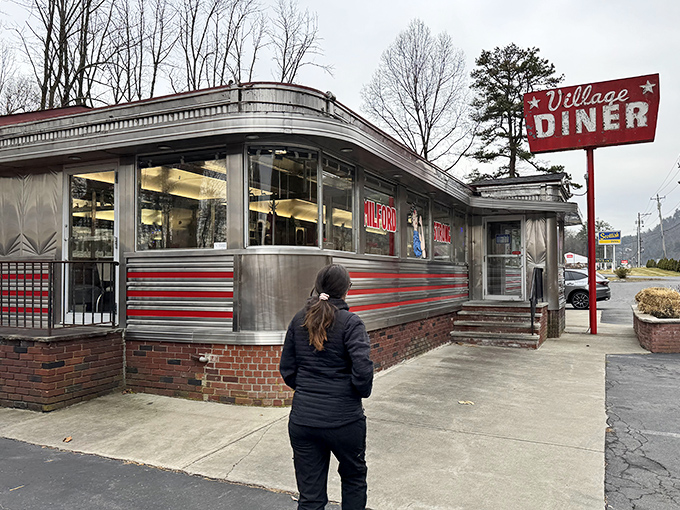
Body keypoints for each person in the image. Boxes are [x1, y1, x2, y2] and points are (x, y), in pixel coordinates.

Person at [280, 264, 374, 510]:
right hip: (344, 421)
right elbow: (363, 370)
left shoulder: (299, 319)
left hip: (303, 421)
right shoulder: (351, 323)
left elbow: (287, 369)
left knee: (310, 497)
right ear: (346, 290)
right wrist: (355, 392)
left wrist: (308, 390)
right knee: (353, 479)